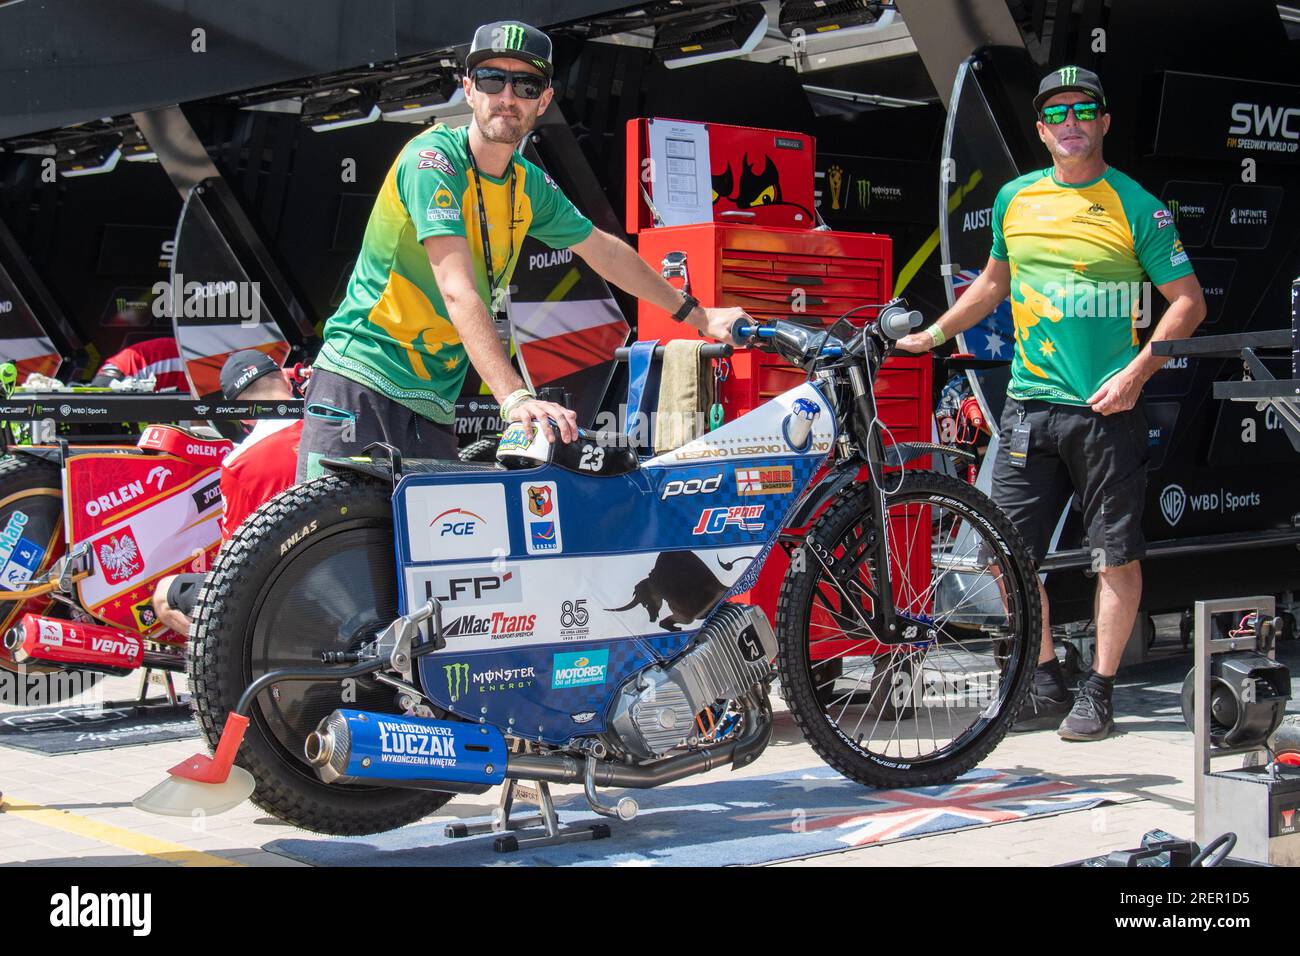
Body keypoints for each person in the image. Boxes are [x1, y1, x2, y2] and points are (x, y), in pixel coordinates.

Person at [898, 66, 1206, 741]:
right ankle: (1041, 681)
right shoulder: (1014, 198)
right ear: (1041, 130)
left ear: (1103, 122)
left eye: (1083, 111)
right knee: (1005, 554)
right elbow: (991, 285)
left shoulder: (1138, 205)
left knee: (1115, 559)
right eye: (1056, 115)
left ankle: (1099, 690)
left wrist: (1136, 377)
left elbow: (1188, 302)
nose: (1070, 124)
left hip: (1108, 412)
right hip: (1028, 408)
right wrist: (933, 332)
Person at [298, 19, 745, 481]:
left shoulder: (528, 184)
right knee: (324, 546)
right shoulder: (432, 159)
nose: (508, 97)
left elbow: (604, 252)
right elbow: (457, 291)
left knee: (424, 550)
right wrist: (515, 397)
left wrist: (700, 316)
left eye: (526, 84)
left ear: (544, 100)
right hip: (360, 381)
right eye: (493, 79)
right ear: (469, 90)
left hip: (432, 403)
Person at [152, 351, 303, 636]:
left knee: (164, 594)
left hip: (282, 598)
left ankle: (232, 670)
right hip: (350, 582)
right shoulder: (337, 429)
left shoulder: (240, 462)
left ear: (241, 411)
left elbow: (233, 561)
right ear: (286, 380)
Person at [90, 336, 189, 392]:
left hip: (118, 371)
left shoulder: (190, 354)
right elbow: (195, 413)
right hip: (118, 375)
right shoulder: (195, 362)